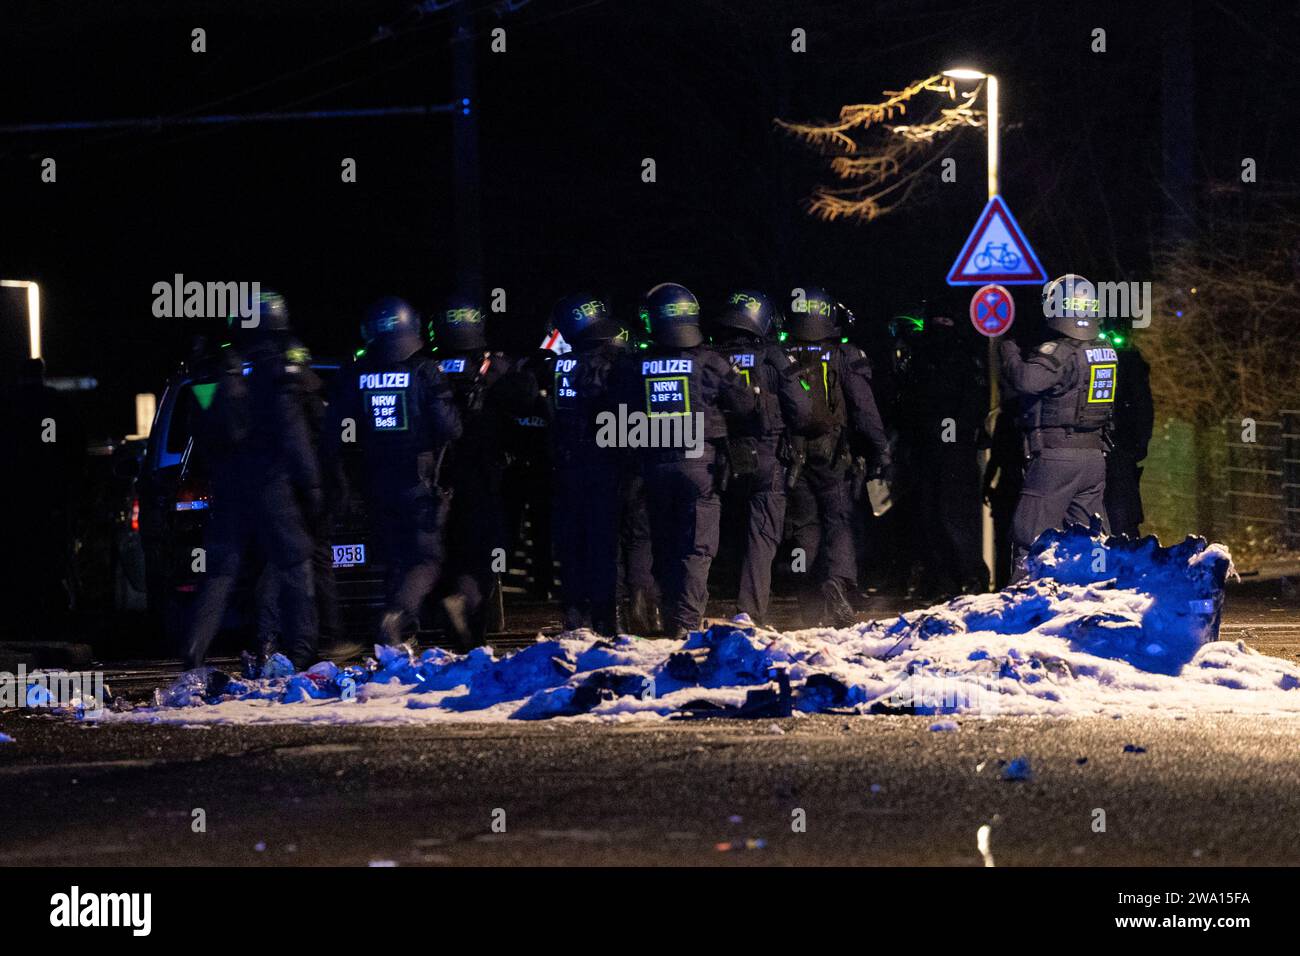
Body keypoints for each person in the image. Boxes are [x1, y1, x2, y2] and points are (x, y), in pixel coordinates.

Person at [184, 291, 322, 670]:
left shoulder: (213, 369)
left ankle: (194, 651)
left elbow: (201, 430)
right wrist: (311, 485)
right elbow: (292, 432)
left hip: (227, 488)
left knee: (220, 573)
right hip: (269, 483)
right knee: (295, 563)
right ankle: (302, 651)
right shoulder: (272, 367)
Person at [324, 296, 462, 646]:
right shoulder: (425, 370)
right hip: (418, 478)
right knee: (427, 558)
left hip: (375, 479)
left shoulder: (355, 372)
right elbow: (449, 428)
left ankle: (403, 636)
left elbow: (336, 427)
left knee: (395, 557)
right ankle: (398, 615)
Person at [624, 282, 755, 638]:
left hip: (653, 465)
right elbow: (745, 405)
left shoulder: (635, 365)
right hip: (699, 465)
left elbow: (613, 406)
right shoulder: (711, 361)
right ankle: (685, 623)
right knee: (696, 548)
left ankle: (668, 617)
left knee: (663, 544)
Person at [429, 294, 538, 645]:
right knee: (489, 551)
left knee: (448, 549)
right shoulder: (494, 368)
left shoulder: (426, 367)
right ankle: (469, 610)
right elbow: (527, 398)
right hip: (485, 475)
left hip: (436, 476)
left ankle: (454, 623)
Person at [783, 287, 891, 626]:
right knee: (839, 521)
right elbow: (863, 406)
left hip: (791, 455)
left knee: (804, 525)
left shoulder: (781, 353)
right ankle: (839, 581)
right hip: (833, 454)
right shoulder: (843, 354)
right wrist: (880, 448)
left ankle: (807, 592)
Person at [998, 276, 1118, 581]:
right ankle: (1100, 591)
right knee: (1091, 535)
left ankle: (1021, 602)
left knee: (1030, 533)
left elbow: (1027, 380)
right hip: (1093, 457)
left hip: (1056, 457)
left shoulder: (1060, 351)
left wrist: (1008, 349)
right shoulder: (1104, 350)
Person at [709, 289, 814, 625]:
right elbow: (801, 410)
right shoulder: (774, 357)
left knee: (713, 532)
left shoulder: (711, 356)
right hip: (767, 457)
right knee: (762, 536)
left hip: (719, 456)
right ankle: (749, 610)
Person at [548, 293, 628, 634]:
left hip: (565, 461)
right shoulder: (604, 363)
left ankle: (574, 613)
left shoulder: (556, 363)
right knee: (603, 541)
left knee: (572, 542)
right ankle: (606, 617)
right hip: (601, 461)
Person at [1102, 321, 1153, 537]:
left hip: (1117, 448)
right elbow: (1144, 408)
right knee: (1121, 518)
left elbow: (1142, 407)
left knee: (1119, 516)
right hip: (1120, 449)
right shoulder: (1130, 360)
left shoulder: (1128, 361)